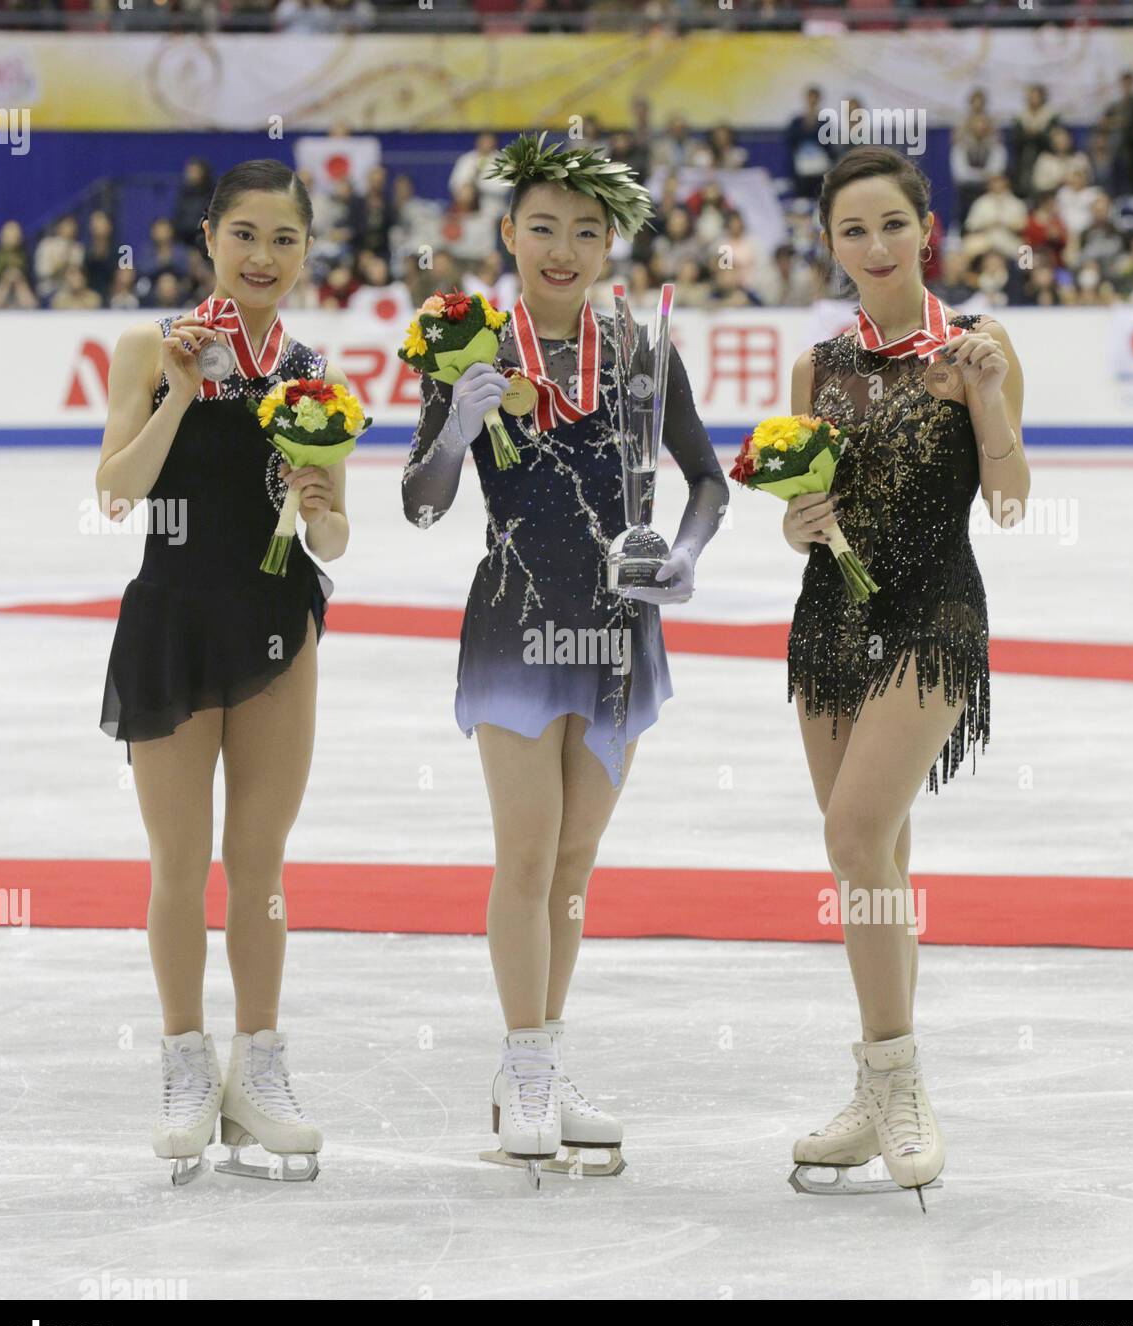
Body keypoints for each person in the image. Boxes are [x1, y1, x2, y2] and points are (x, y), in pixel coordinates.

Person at [401, 132, 728, 1185]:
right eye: (542, 226)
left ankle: (539, 1055)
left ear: (607, 245)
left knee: (576, 864)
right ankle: (526, 1061)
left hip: (621, 630)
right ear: (508, 233)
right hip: (517, 620)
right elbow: (419, 501)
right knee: (529, 855)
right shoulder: (467, 345)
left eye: (585, 231)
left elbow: (707, 482)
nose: (562, 246)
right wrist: (454, 424)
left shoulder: (637, 348)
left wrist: (679, 557)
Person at [96, 159, 352, 1185]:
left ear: (303, 252)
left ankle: (262, 1065)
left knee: (259, 861)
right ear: (208, 238)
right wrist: (180, 392)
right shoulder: (148, 349)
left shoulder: (312, 365)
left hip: (277, 625)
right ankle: (182, 1065)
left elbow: (335, 535)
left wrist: (314, 496)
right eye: (245, 234)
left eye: (284, 240)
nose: (264, 256)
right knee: (177, 862)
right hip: (169, 621)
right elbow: (117, 491)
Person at [784, 146, 1028, 1208]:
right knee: (876, 854)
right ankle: (876, 1080)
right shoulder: (818, 367)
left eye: (892, 224)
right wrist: (798, 522)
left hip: (933, 616)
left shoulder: (979, 345)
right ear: (830, 244)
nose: (874, 246)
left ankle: (897, 1080)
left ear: (925, 230)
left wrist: (987, 404)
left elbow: (1012, 500)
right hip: (831, 618)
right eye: (852, 230)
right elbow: (804, 511)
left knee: (851, 834)